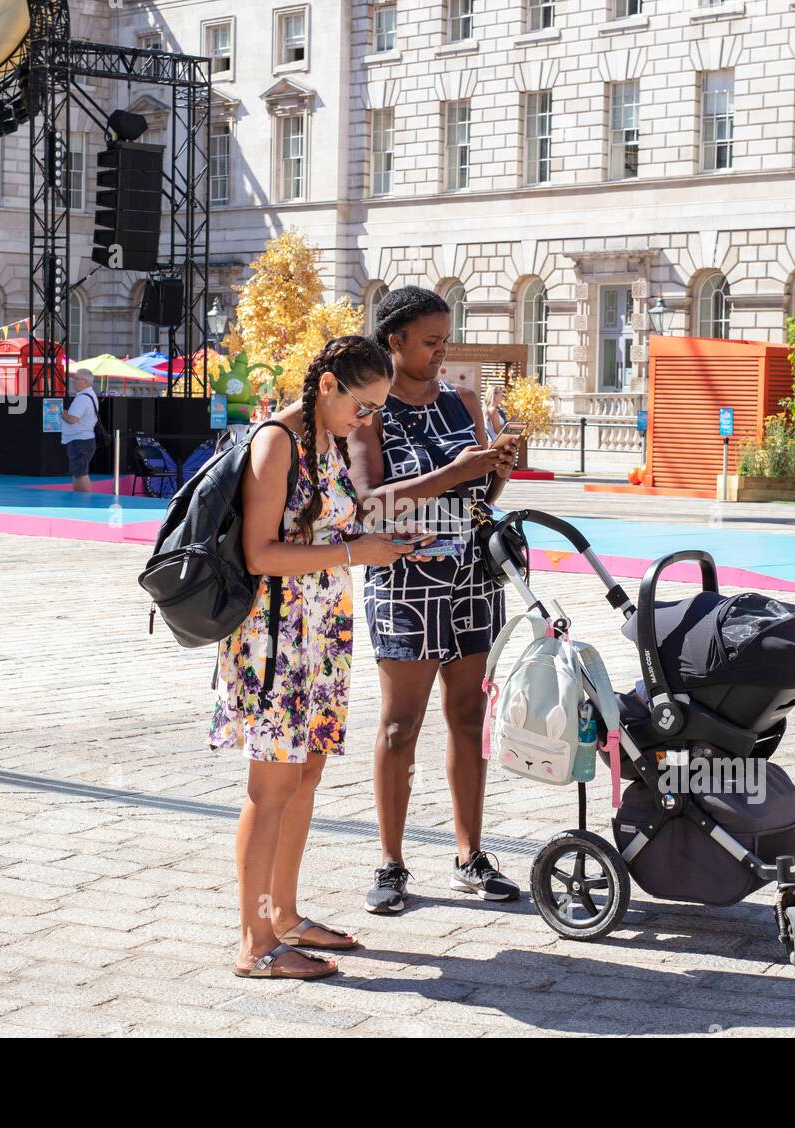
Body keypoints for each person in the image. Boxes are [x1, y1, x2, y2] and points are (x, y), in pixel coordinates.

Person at [213, 335, 417, 980]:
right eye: (362, 406)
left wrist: (378, 540)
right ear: (329, 384)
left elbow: (325, 529)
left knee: (305, 779)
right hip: (275, 638)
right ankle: (254, 944)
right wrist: (356, 555)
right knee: (270, 789)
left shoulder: (327, 442)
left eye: (375, 410)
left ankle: (286, 916)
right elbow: (260, 555)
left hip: (322, 633)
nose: (367, 421)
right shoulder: (278, 442)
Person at [347, 286, 520, 914]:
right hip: (405, 582)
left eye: (447, 338)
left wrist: (500, 463)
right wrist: (456, 470)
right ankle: (391, 864)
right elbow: (372, 503)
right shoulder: (367, 411)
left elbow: (482, 499)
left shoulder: (462, 401)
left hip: (474, 577)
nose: (443, 350)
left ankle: (469, 856)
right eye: (431, 340)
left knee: (470, 722)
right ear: (395, 340)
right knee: (399, 726)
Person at [60, 369, 99, 493]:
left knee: (81, 473)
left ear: (85, 381)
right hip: (83, 439)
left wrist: (63, 414)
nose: (73, 381)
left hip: (79, 440)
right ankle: (80, 497)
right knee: (79, 472)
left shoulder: (82, 398)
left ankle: (83, 499)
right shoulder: (89, 396)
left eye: (76, 379)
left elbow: (72, 419)